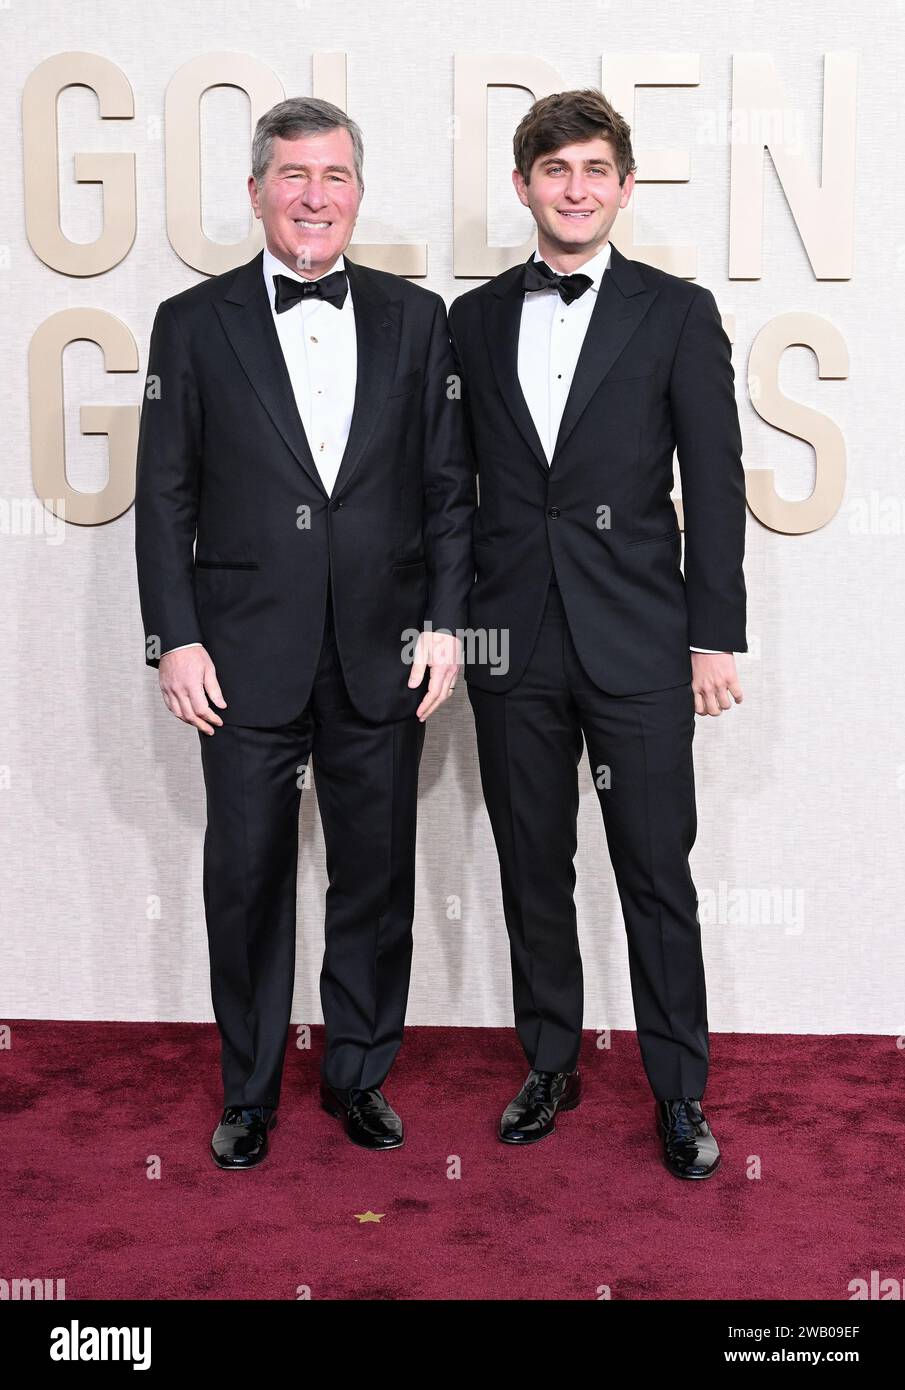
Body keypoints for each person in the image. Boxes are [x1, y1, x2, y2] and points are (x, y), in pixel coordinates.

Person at [135, 97, 474, 1169]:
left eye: (334, 176)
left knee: (375, 876)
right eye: (293, 176)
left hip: (383, 647)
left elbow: (448, 491)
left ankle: (358, 1073)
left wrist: (449, 624)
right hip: (239, 655)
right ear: (256, 194)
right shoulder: (192, 325)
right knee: (245, 876)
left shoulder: (420, 322)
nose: (314, 196)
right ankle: (248, 1092)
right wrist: (174, 638)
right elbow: (163, 498)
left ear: (358, 194)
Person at [448, 88, 747, 1179]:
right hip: (510, 641)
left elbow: (714, 485)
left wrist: (713, 637)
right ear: (524, 184)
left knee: (656, 870)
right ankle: (551, 1060)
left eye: (595, 171)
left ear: (623, 187)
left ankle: (678, 1088)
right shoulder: (470, 320)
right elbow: (448, 489)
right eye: (554, 169)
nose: (576, 189)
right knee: (534, 863)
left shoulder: (677, 311)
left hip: (639, 640)